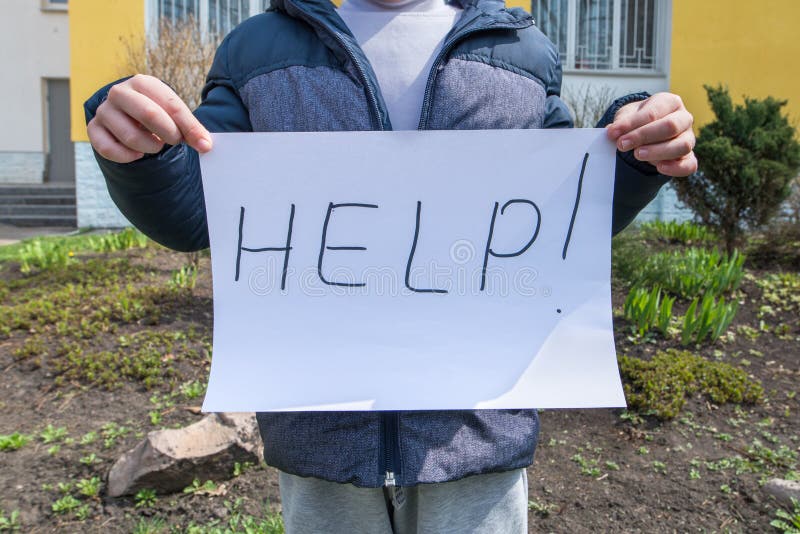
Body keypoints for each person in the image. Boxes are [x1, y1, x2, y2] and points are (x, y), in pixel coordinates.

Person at [85, 0, 697, 531]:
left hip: (474, 435)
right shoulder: (258, 49)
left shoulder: (519, 52)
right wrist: (142, 151)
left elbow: (565, 214)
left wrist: (637, 147)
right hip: (321, 434)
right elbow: (195, 212)